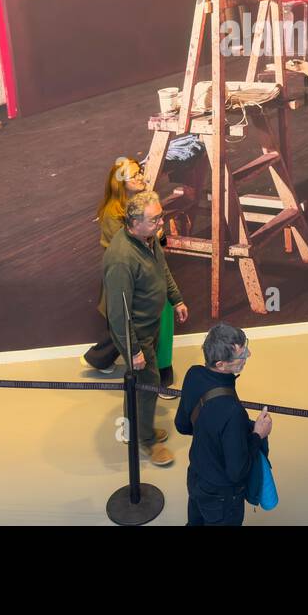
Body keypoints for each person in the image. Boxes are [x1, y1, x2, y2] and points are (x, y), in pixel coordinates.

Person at [103, 190, 188, 467]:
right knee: (147, 385)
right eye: (154, 219)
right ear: (134, 222)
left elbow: (162, 270)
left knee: (139, 385)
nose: (161, 223)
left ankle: (134, 430)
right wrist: (134, 349)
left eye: (160, 217)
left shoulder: (147, 239)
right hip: (136, 335)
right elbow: (118, 315)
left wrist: (176, 299)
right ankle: (147, 441)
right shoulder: (121, 258)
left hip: (150, 328)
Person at [83, 157, 178, 396]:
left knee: (142, 331)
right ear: (120, 183)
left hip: (146, 279)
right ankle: (154, 381)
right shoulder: (113, 215)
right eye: (134, 175)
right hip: (132, 282)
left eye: (140, 172)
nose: (141, 178)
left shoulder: (141, 205)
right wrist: (156, 237)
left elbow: (157, 244)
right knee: (129, 328)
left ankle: (100, 359)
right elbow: (132, 249)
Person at [174, 323, 272, 526]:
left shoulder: (194, 374)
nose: (249, 355)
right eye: (242, 354)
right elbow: (236, 473)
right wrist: (258, 435)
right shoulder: (233, 412)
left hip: (196, 477)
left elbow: (182, 425)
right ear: (221, 364)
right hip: (222, 497)